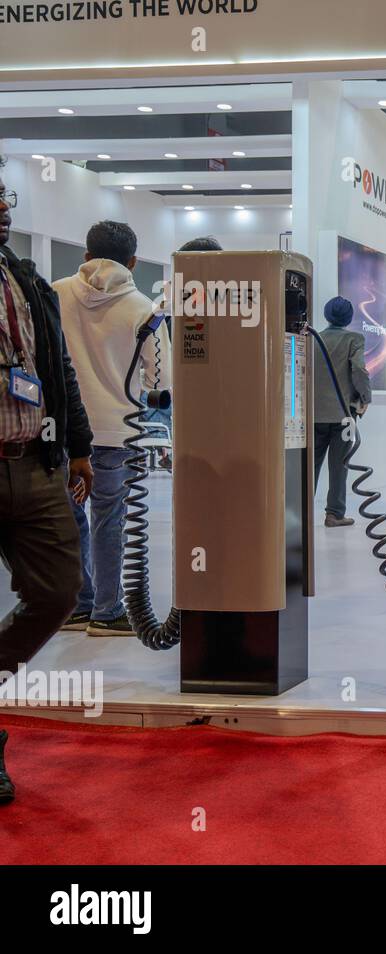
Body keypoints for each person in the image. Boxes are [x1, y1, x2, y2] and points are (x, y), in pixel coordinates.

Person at [0, 156, 96, 805]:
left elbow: (56, 366)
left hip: (35, 463)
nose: (4, 208)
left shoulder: (25, 278)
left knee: (60, 590)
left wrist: (79, 446)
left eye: (4, 196)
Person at [55, 221, 170, 636]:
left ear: (86, 256)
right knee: (110, 519)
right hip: (117, 431)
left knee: (71, 518)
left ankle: (78, 606)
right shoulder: (144, 308)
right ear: (133, 262)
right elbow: (162, 380)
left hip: (62, 431)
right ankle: (107, 611)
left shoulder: (55, 293)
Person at [313, 296, 370, 528]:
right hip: (344, 416)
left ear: (327, 315)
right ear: (349, 318)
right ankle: (334, 514)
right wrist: (365, 398)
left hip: (314, 415)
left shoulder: (313, 338)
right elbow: (359, 370)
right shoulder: (354, 339)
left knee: (310, 466)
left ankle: (299, 512)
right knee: (339, 465)